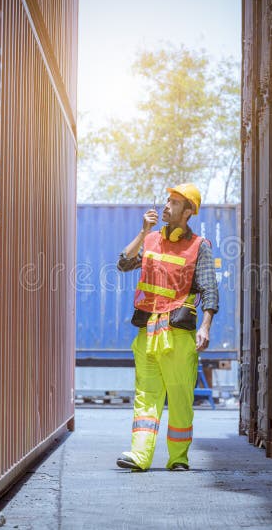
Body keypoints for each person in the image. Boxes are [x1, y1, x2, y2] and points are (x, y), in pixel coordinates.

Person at [115, 183, 219, 471]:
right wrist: (143, 231)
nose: (166, 206)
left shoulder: (199, 246)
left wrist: (205, 327)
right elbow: (123, 263)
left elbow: (210, 289)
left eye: (174, 202)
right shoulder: (150, 240)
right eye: (167, 200)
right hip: (147, 332)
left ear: (188, 212)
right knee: (145, 396)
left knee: (181, 398)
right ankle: (140, 455)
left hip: (178, 335)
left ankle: (178, 458)